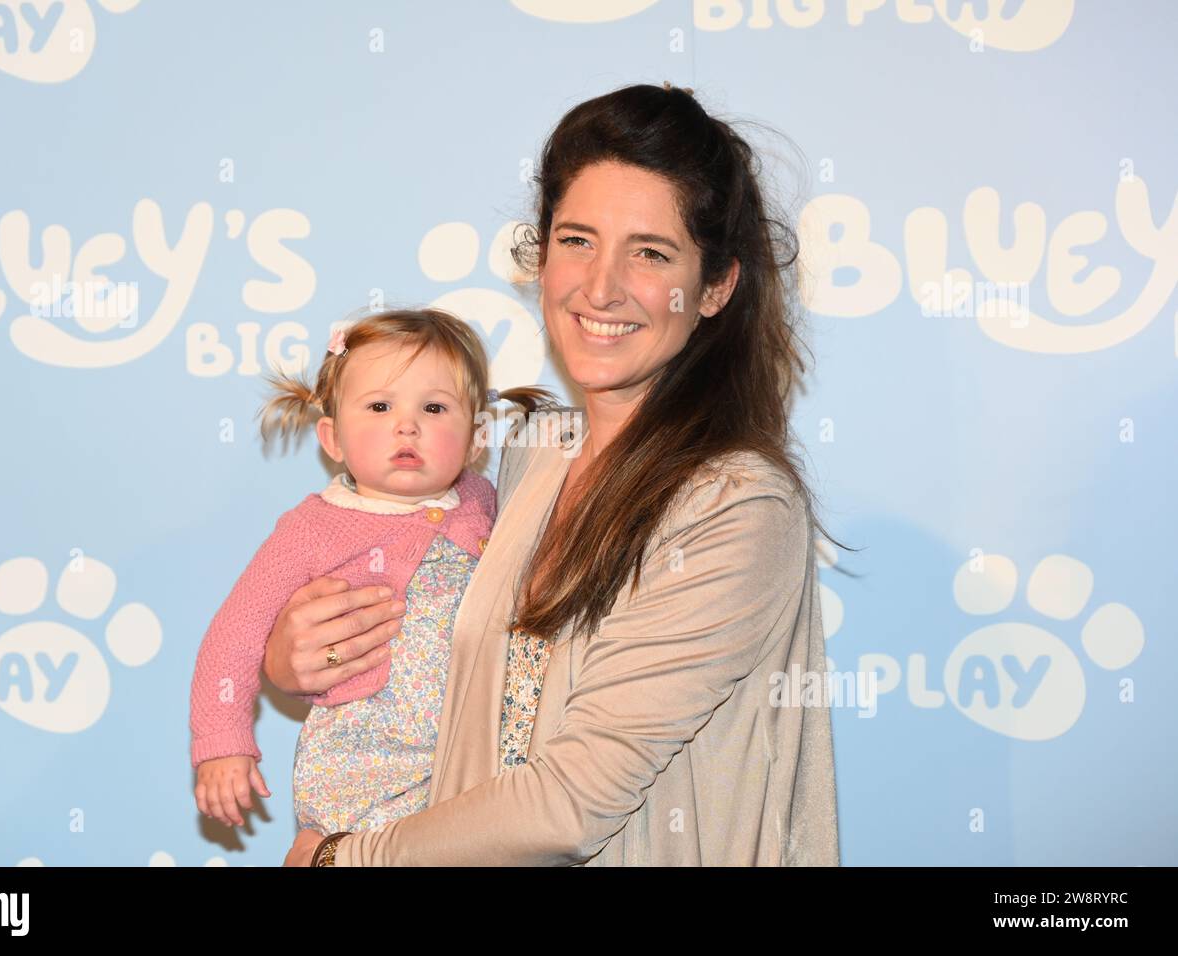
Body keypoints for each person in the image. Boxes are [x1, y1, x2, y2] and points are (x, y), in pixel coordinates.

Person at [270, 82, 844, 866]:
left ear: (715, 287)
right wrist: (290, 655)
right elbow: (427, 673)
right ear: (539, 256)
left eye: (650, 253)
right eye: (577, 240)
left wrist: (349, 859)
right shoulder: (530, 454)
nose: (600, 286)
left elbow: (574, 799)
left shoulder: (736, 507)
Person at [188, 307, 551, 834]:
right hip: (363, 764)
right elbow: (234, 636)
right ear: (333, 439)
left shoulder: (484, 502)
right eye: (380, 406)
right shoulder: (313, 528)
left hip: (472, 761)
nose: (407, 425)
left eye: (433, 407)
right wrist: (222, 746)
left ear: (475, 439)